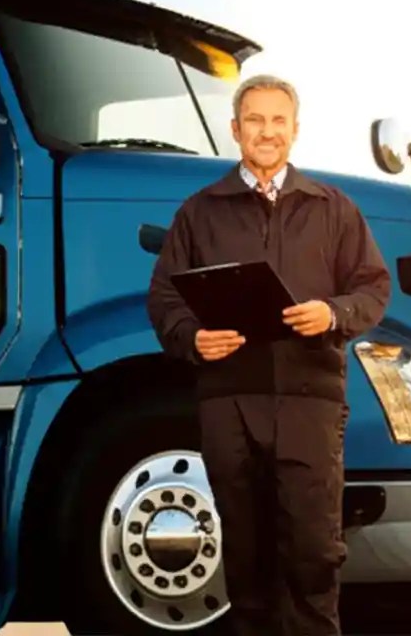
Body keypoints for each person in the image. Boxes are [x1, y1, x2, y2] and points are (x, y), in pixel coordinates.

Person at [145, 74, 391, 635]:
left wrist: (332, 314)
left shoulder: (333, 209)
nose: (267, 132)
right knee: (247, 555)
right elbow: (164, 297)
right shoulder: (200, 211)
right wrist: (192, 338)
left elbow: (373, 288)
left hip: (311, 401)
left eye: (278, 121)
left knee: (313, 552)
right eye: (255, 120)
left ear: (295, 131)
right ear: (235, 130)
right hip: (229, 400)